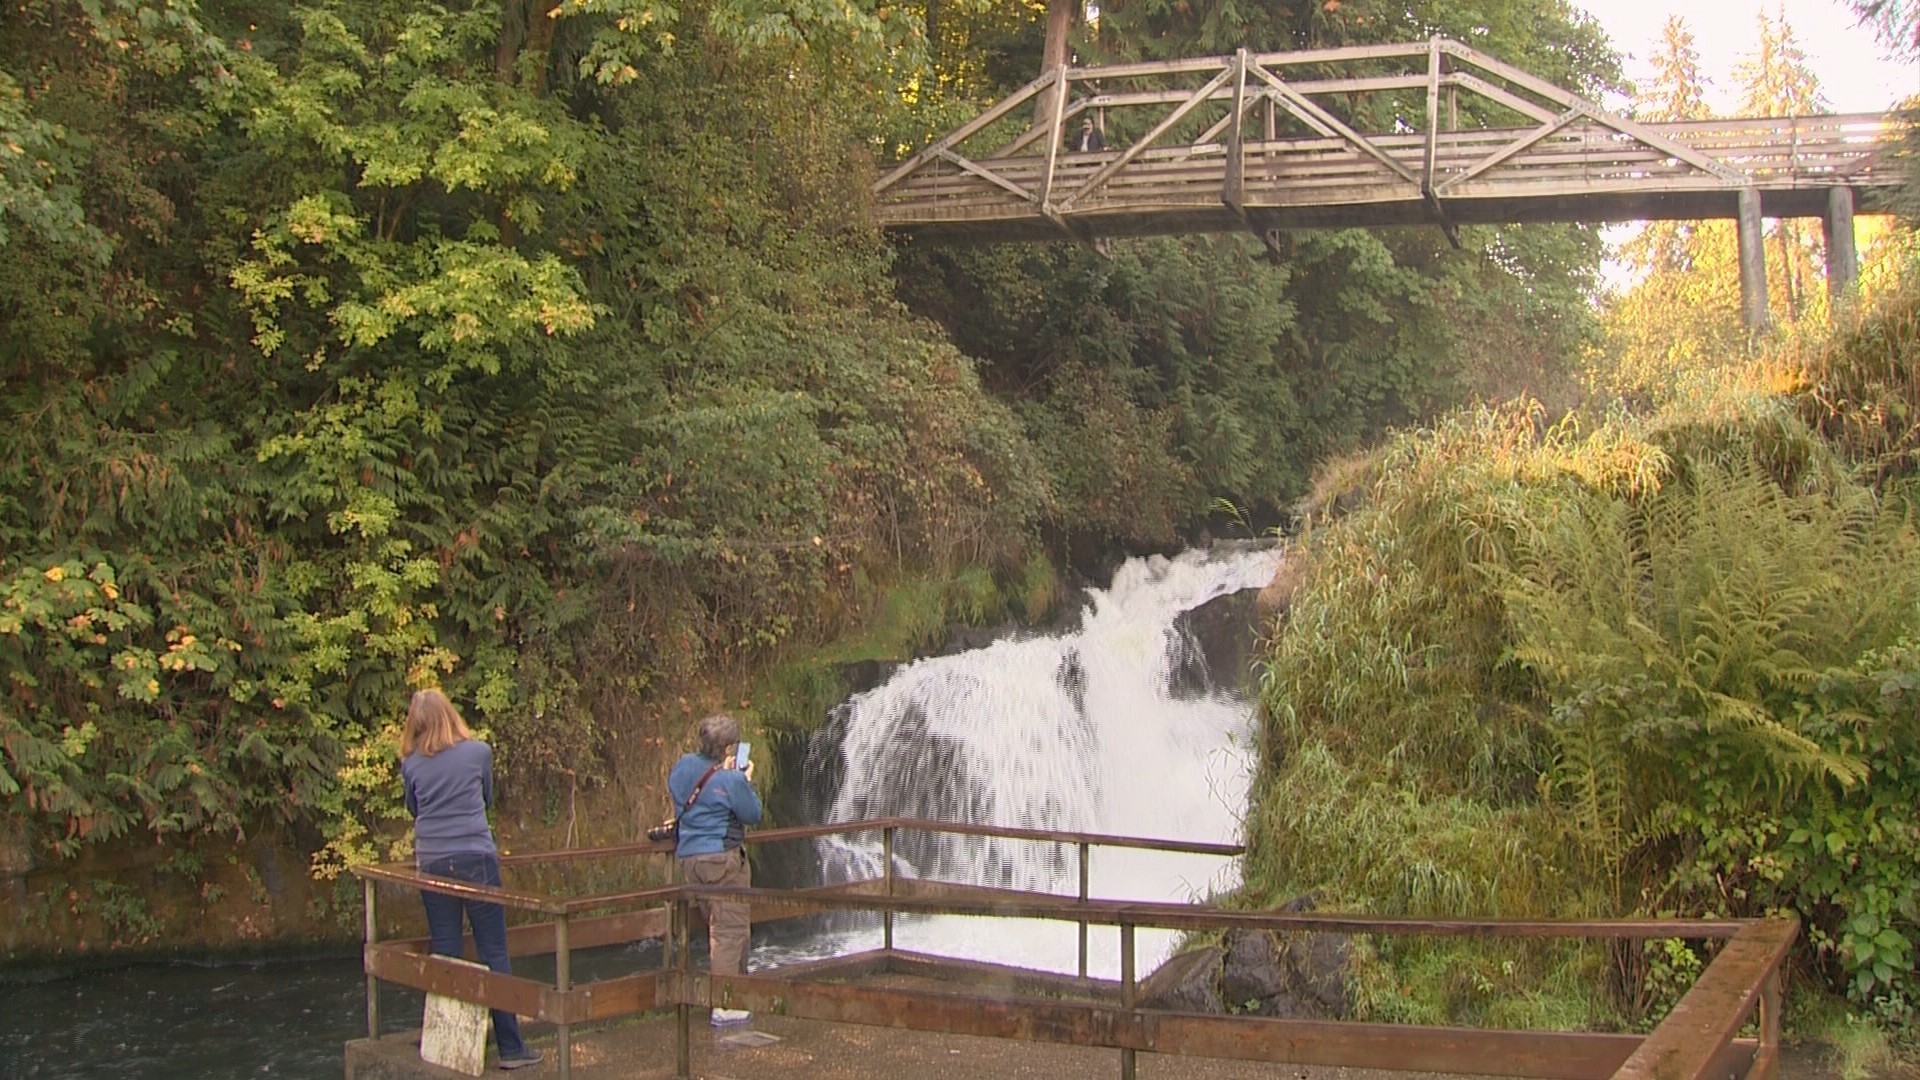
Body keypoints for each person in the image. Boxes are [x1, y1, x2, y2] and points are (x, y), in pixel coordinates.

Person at [400, 688, 543, 1072]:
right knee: (493, 950)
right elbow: (486, 796)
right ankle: (511, 1047)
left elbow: (413, 807)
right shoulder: (478, 752)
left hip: (432, 860)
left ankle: (449, 1046)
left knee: (445, 953)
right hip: (475, 855)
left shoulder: (411, 763)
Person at [668, 713, 763, 1027]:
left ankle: (736, 991)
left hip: (690, 860)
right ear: (726, 749)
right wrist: (744, 781)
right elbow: (752, 813)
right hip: (722, 862)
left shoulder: (683, 766)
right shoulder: (731, 779)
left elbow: (681, 792)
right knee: (729, 931)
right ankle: (725, 1003)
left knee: (718, 926)